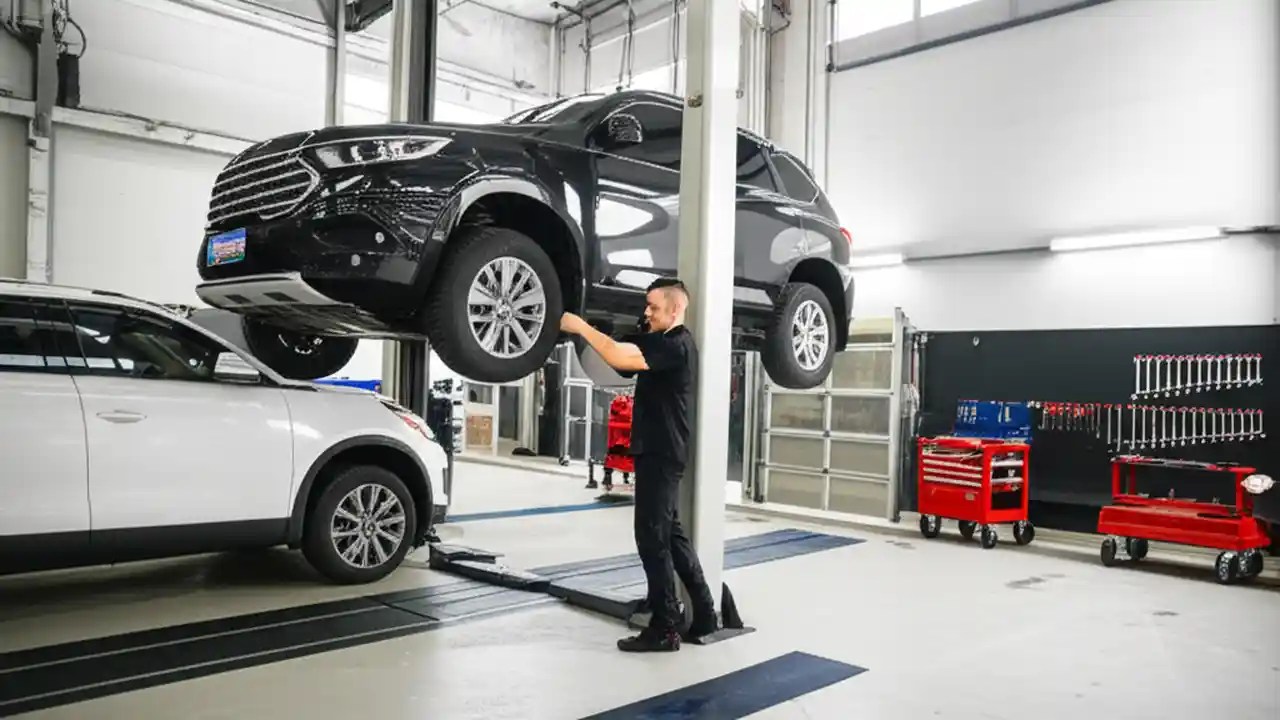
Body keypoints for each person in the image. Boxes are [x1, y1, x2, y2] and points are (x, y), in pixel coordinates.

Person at [558, 278, 719, 652]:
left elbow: (618, 356)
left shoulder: (676, 345)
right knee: (672, 535)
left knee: (652, 538)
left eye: (654, 307)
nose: (647, 312)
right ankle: (706, 612)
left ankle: (665, 628)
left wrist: (580, 326)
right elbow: (622, 360)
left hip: (661, 453)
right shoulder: (661, 342)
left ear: (676, 309)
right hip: (661, 450)